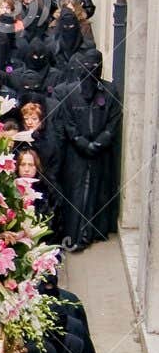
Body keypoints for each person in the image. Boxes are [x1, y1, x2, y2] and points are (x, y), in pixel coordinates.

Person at [57, 61, 121, 249]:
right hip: (76, 153)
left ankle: (89, 232)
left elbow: (113, 121)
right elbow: (67, 121)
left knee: (95, 191)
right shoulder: (70, 92)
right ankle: (75, 234)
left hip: (100, 154)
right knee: (76, 193)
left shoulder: (109, 91)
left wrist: (99, 142)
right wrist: (80, 141)